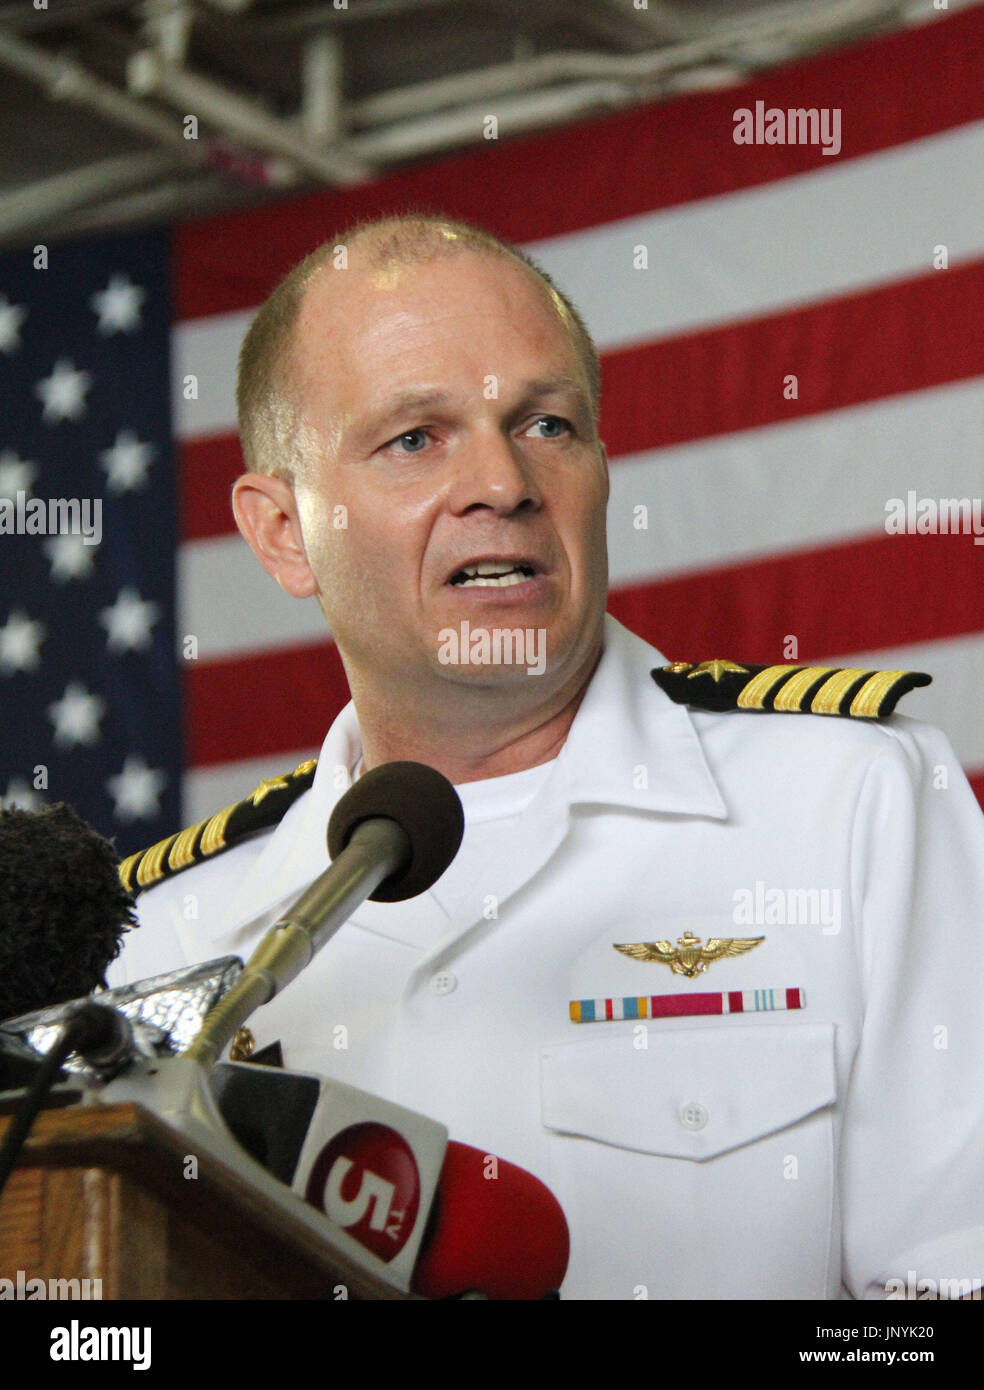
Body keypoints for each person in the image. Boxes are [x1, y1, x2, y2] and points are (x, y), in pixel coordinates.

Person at [109, 214, 984, 1300]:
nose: (504, 482)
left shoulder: (852, 803)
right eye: (416, 438)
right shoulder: (169, 938)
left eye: (547, 424)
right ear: (285, 530)